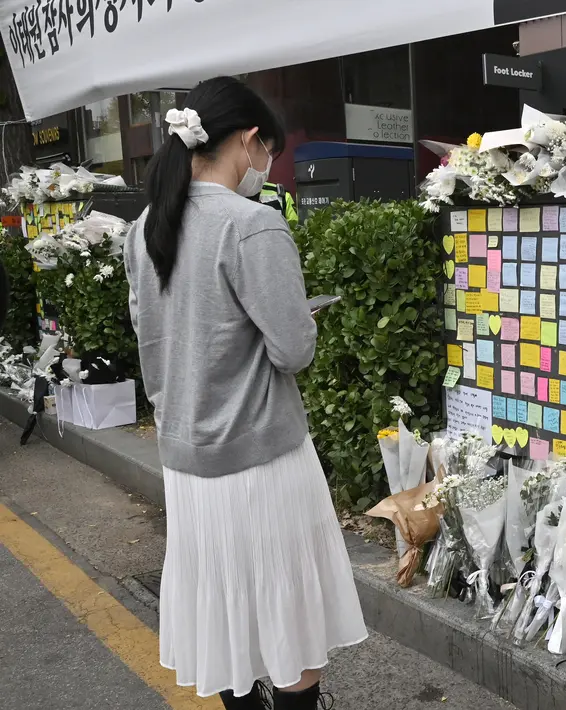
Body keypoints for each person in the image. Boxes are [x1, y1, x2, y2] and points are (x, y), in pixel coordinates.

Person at [124, 76, 367, 710]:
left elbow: (154, 344)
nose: (266, 166)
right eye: (268, 153)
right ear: (250, 141)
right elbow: (293, 350)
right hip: (261, 458)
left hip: (187, 461)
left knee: (227, 621)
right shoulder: (251, 225)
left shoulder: (145, 227)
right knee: (288, 626)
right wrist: (302, 321)